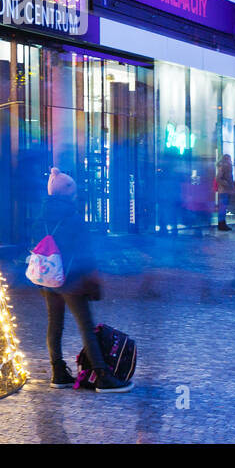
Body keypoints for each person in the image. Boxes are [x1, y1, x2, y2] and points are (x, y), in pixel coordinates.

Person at [34, 167, 133, 392]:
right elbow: (84, 252)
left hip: (48, 277)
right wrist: (93, 278)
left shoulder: (41, 215)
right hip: (72, 280)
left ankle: (58, 372)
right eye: (73, 192)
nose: (76, 195)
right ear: (67, 193)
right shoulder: (73, 218)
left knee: (54, 324)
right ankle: (102, 376)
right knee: (86, 327)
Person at [214, 154, 234, 231]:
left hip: (225, 190)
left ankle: (222, 224)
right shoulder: (224, 167)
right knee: (223, 208)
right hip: (224, 190)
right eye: (229, 159)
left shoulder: (225, 166)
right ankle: (221, 224)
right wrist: (226, 183)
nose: (230, 160)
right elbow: (218, 178)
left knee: (223, 208)